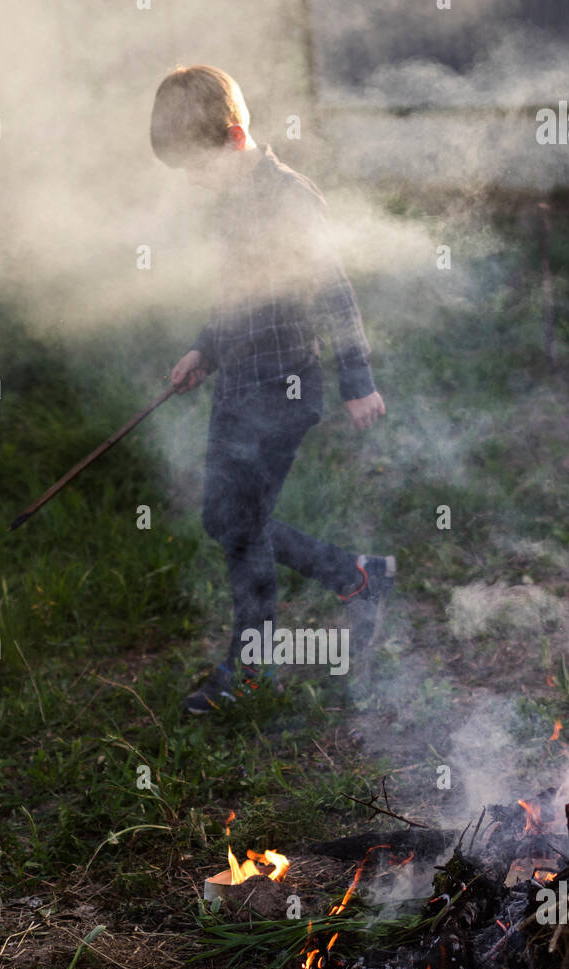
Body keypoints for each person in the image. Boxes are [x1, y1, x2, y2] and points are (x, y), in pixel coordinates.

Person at [150, 65, 394, 714]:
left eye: (198, 168)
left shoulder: (288, 198)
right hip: (237, 386)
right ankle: (356, 575)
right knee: (223, 519)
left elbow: (333, 289)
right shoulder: (230, 203)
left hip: (283, 392)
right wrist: (205, 346)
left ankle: (252, 670)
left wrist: (357, 381)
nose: (195, 183)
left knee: (242, 529)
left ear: (233, 138)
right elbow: (234, 295)